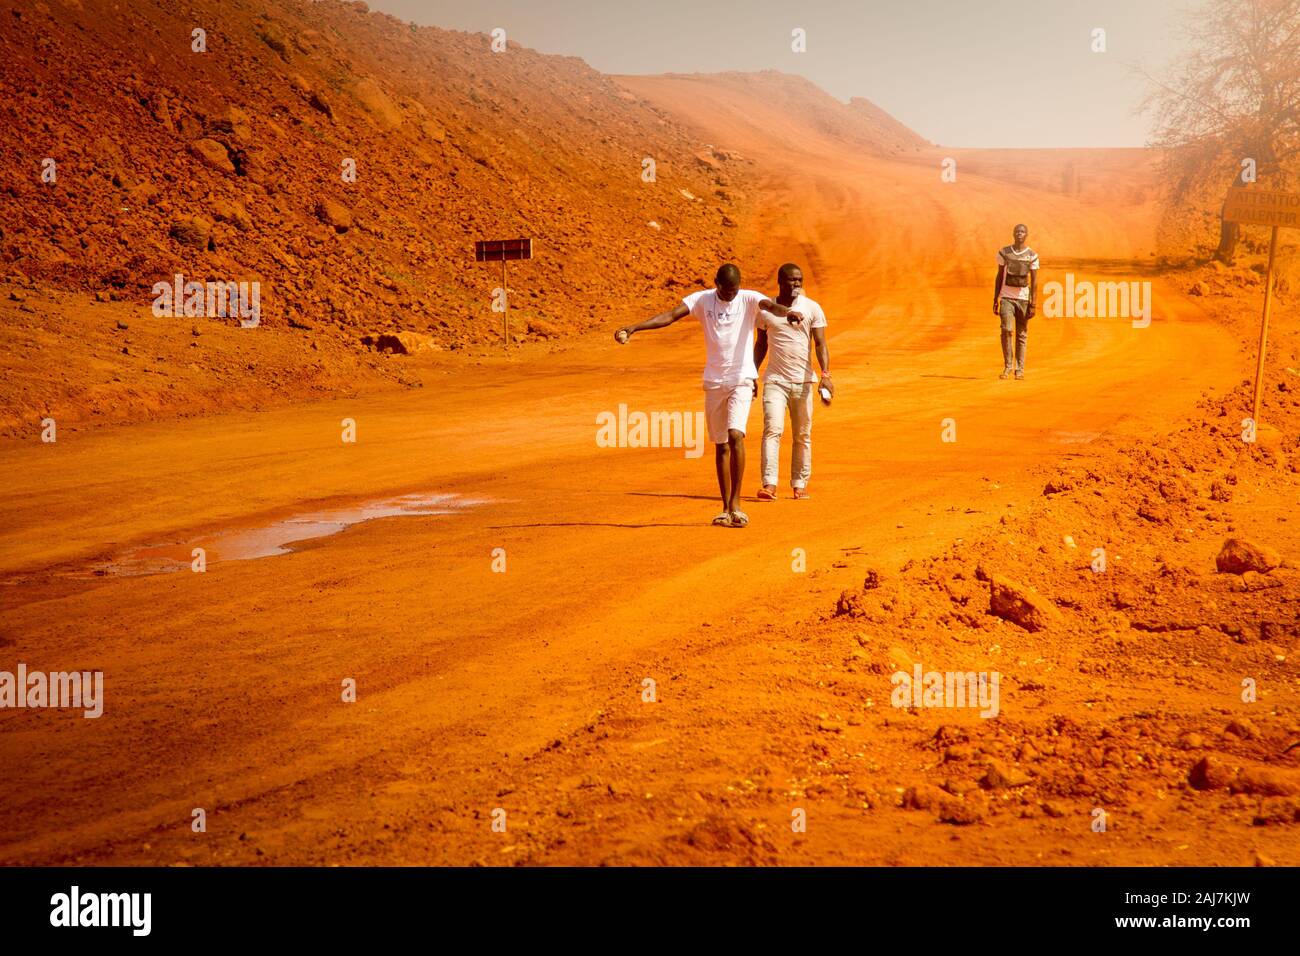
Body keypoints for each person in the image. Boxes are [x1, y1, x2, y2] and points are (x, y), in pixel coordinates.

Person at [614, 263, 804, 528]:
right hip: (714, 381)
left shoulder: (748, 298)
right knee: (721, 444)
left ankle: (738, 506)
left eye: (734, 290)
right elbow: (670, 316)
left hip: (741, 378)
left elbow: (771, 307)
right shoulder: (702, 300)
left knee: (736, 434)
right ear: (716, 283)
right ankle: (725, 508)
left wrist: (789, 313)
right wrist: (634, 327)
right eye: (726, 291)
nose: (730, 295)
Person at [753, 263, 831, 500]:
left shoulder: (812, 308)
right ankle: (769, 484)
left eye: (799, 280)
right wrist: (751, 374)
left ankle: (799, 483)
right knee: (772, 430)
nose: (796, 284)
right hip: (775, 381)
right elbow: (761, 344)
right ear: (780, 281)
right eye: (791, 280)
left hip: (804, 383)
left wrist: (826, 376)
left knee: (802, 435)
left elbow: (820, 344)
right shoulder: (766, 310)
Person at [993, 224, 1039, 380]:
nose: (1019, 234)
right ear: (1013, 234)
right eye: (1017, 232)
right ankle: (1008, 367)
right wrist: (996, 298)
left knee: (1021, 334)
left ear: (1026, 235)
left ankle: (1020, 369)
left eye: (1022, 232)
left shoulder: (1032, 255)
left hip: (1024, 300)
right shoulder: (1004, 253)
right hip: (1006, 298)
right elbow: (999, 276)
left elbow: (1034, 281)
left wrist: (1033, 303)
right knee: (1006, 330)